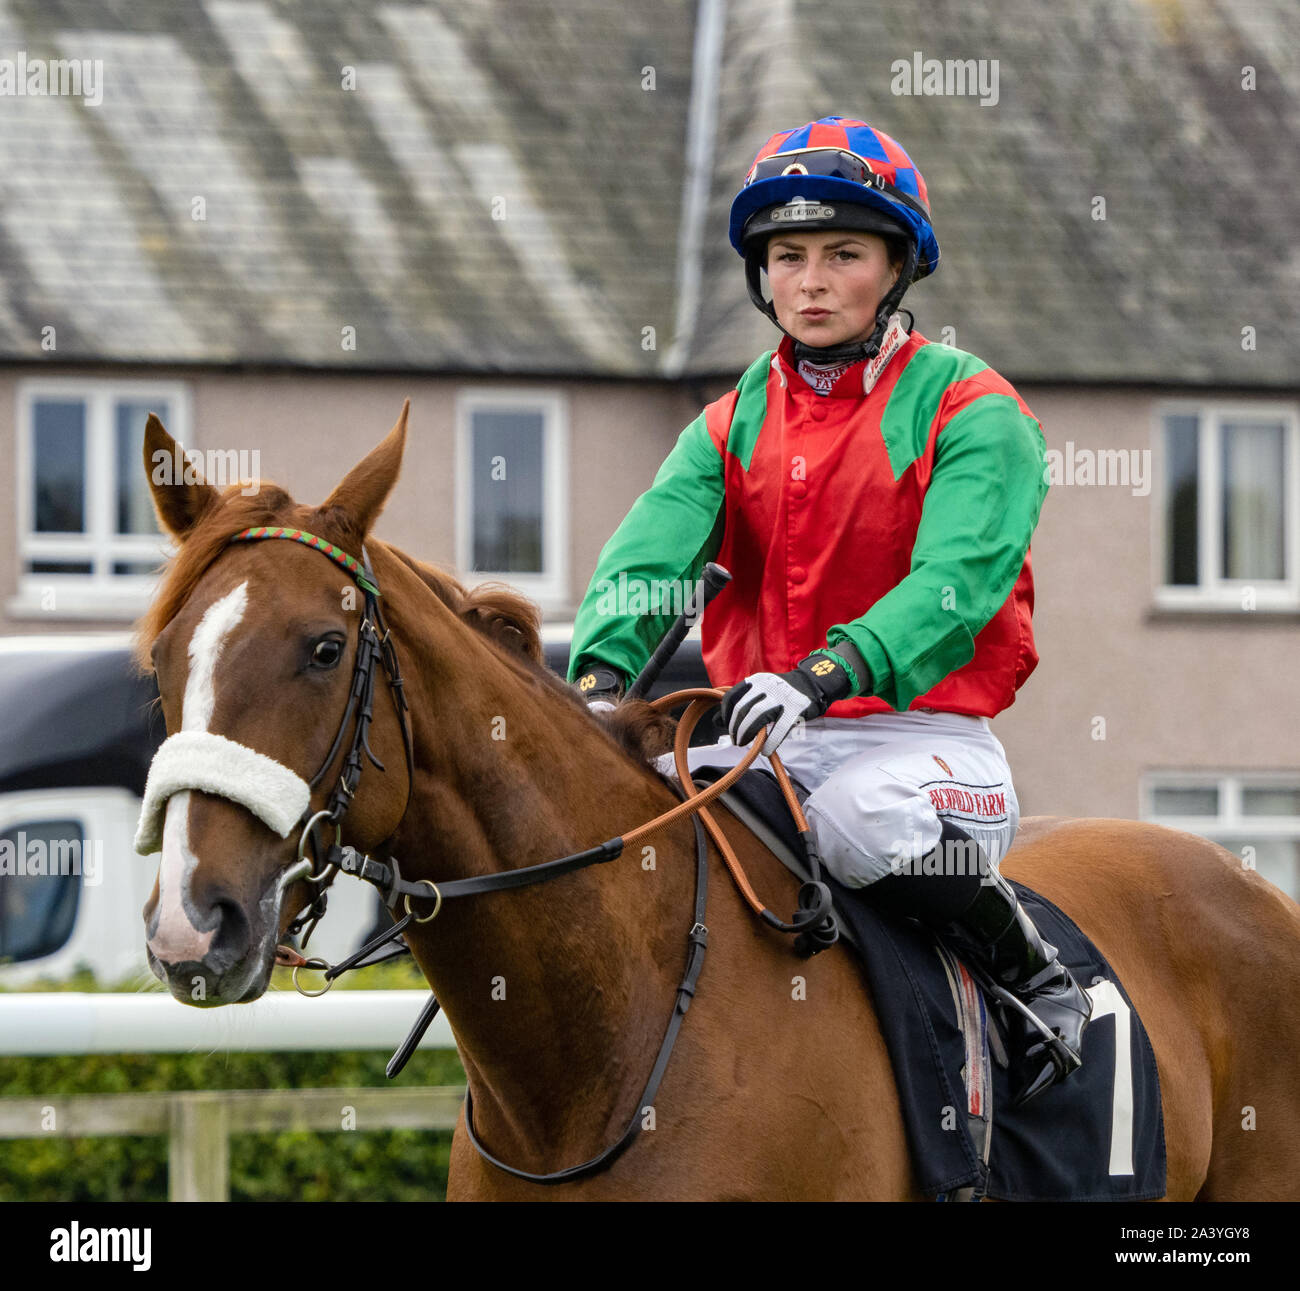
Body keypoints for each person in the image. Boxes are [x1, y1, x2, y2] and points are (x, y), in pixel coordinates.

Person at [567, 115, 1090, 1104]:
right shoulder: (728, 421)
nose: (809, 281)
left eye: (843, 254)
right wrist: (596, 683)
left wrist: (825, 673)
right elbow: (645, 562)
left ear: (895, 269)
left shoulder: (975, 408)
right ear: (761, 275)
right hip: (766, 738)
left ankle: (1034, 975)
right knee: (616, 818)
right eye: (787, 256)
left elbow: (957, 585)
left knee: (858, 820)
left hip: (922, 745)